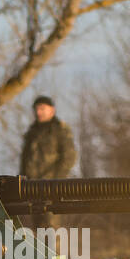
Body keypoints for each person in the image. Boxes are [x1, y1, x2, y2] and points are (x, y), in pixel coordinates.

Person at [19, 95, 76, 230]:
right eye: (36, 109)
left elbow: (69, 157)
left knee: (52, 229)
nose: (38, 112)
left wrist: (56, 182)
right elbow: (25, 160)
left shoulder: (60, 130)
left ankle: (55, 252)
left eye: (42, 109)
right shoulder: (32, 132)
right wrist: (21, 182)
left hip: (52, 188)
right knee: (37, 230)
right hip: (32, 188)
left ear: (52, 110)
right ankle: (40, 252)